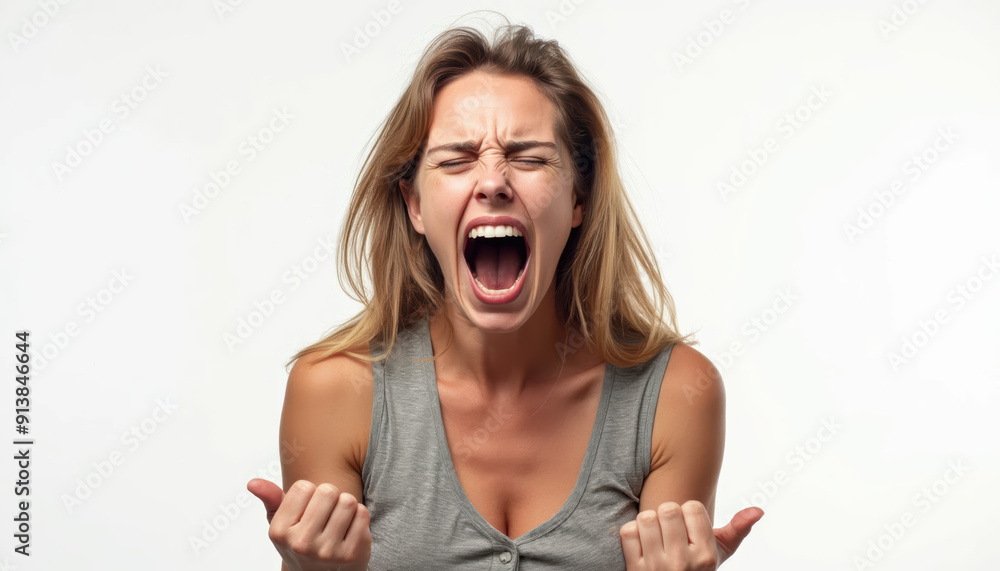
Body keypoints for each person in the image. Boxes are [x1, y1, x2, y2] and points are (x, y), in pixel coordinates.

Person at [248, 16, 763, 570]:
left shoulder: (674, 394)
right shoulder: (334, 391)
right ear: (415, 205)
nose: (493, 182)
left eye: (529, 158)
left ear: (578, 200)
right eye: (456, 160)